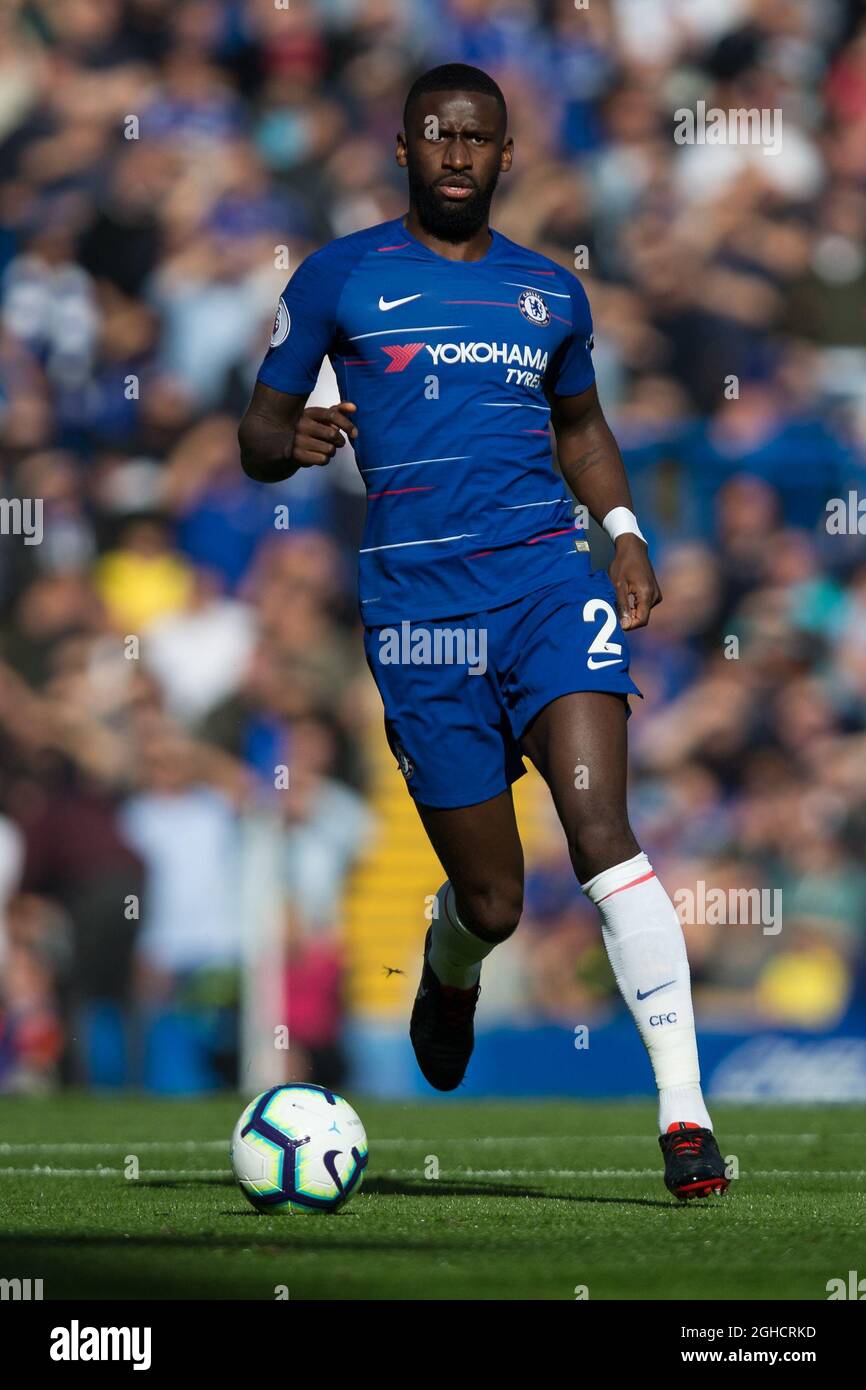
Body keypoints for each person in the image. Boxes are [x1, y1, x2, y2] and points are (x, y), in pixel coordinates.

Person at [238, 63, 727, 1200]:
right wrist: (291, 440)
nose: (456, 154)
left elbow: (584, 423)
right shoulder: (337, 277)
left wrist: (621, 529)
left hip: (548, 583)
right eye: (435, 134)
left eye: (477, 139)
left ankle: (685, 1118)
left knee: (601, 825)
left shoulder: (548, 294)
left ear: (507, 156)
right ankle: (450, 962)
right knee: (495, 899)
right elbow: (259, 430)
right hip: (417, 616)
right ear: (401, 146)